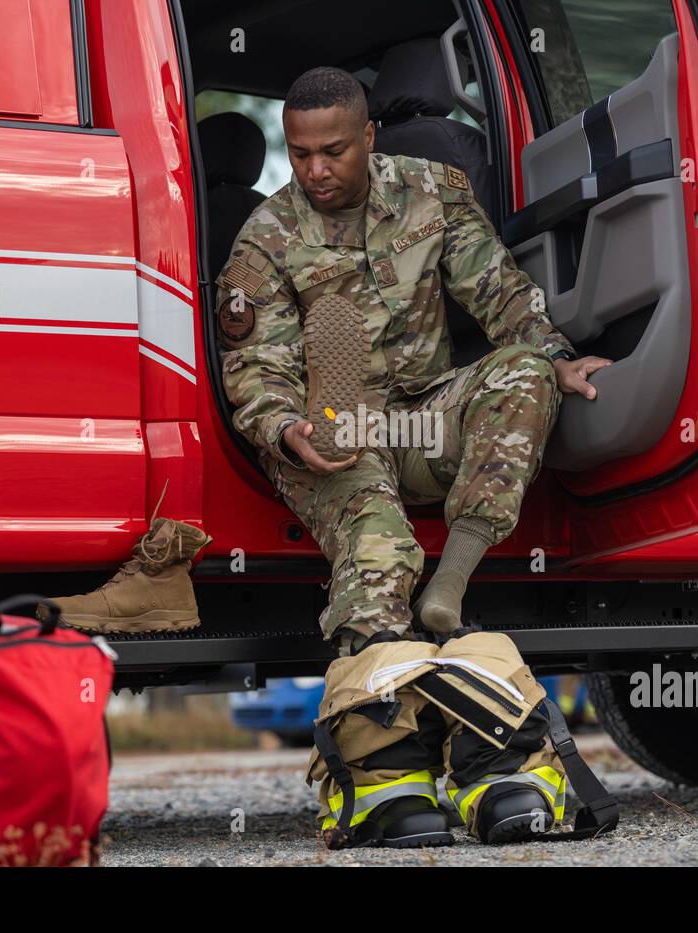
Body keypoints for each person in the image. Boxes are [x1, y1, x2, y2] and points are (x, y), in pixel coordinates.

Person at [216, 66, 614, 849]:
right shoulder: (267, 237)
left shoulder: (434, 190)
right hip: (332, 435)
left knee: (523, 374)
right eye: (299, 155)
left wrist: (554, 356)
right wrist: (283, 425)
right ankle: (387, 769)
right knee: (377, 544)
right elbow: (254, 369)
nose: (316, 171)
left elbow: (496, 289)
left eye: (333, 151)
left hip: (425, 419)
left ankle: (451, 590)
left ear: (369, 137)